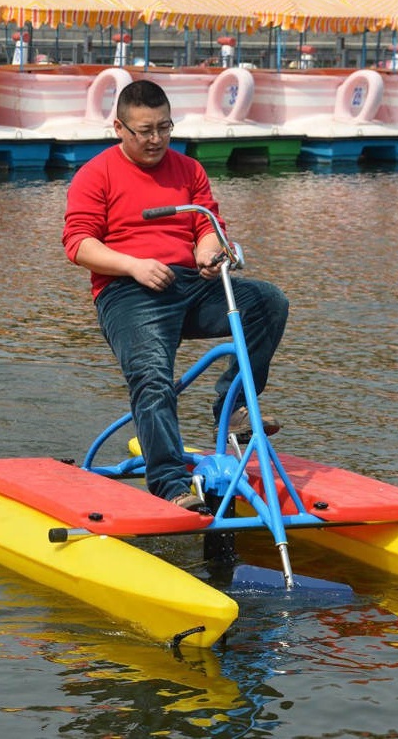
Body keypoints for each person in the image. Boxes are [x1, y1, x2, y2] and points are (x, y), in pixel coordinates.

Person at [62, 80, 289, 512]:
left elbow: (207, 224)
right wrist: (133, 264)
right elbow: (78, 244)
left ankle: (235, 407)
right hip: (127, 291)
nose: (156, 140)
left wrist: (207, 247)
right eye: (144, 131)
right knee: (152, 376)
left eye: (164, 128)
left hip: (188, 284)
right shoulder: (96, 173)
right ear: (119, 129)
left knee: (267, 302)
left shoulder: (189, 170)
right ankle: (168, 482)